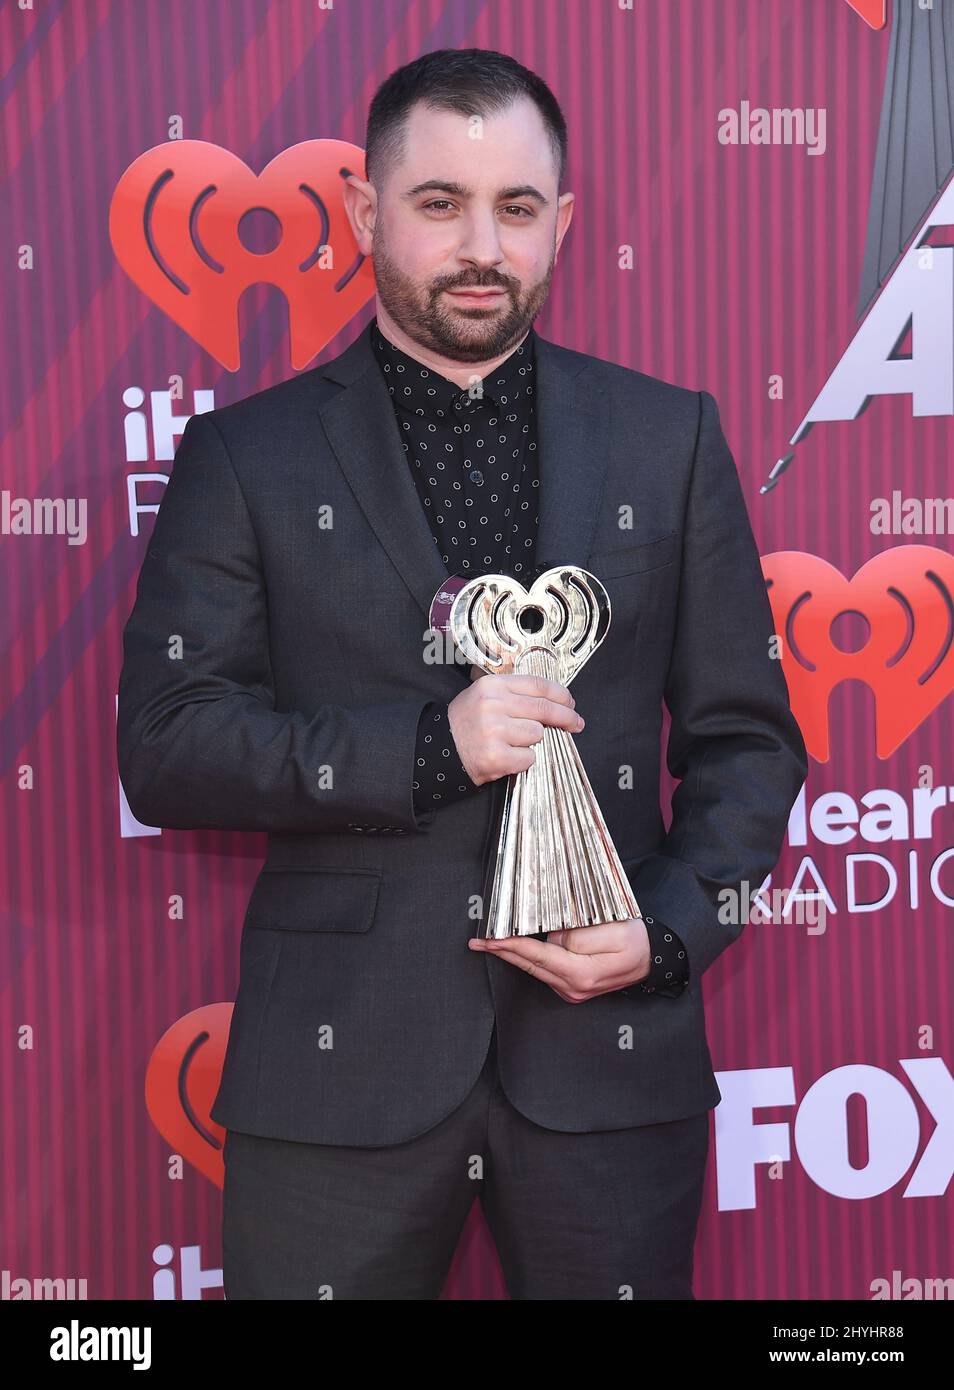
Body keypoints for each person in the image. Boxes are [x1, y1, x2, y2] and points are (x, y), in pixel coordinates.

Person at [117, 47, 807, 1300]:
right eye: (439, 204)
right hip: (339, 1081)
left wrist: (661, 936)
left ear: (565, 224)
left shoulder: (673, 436)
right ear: (366, 212)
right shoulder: (244, 457)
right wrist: (434, 745)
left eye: (518, 208)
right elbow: (168, 741)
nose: (481, 244)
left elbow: (750, 742)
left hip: (611, 1068)